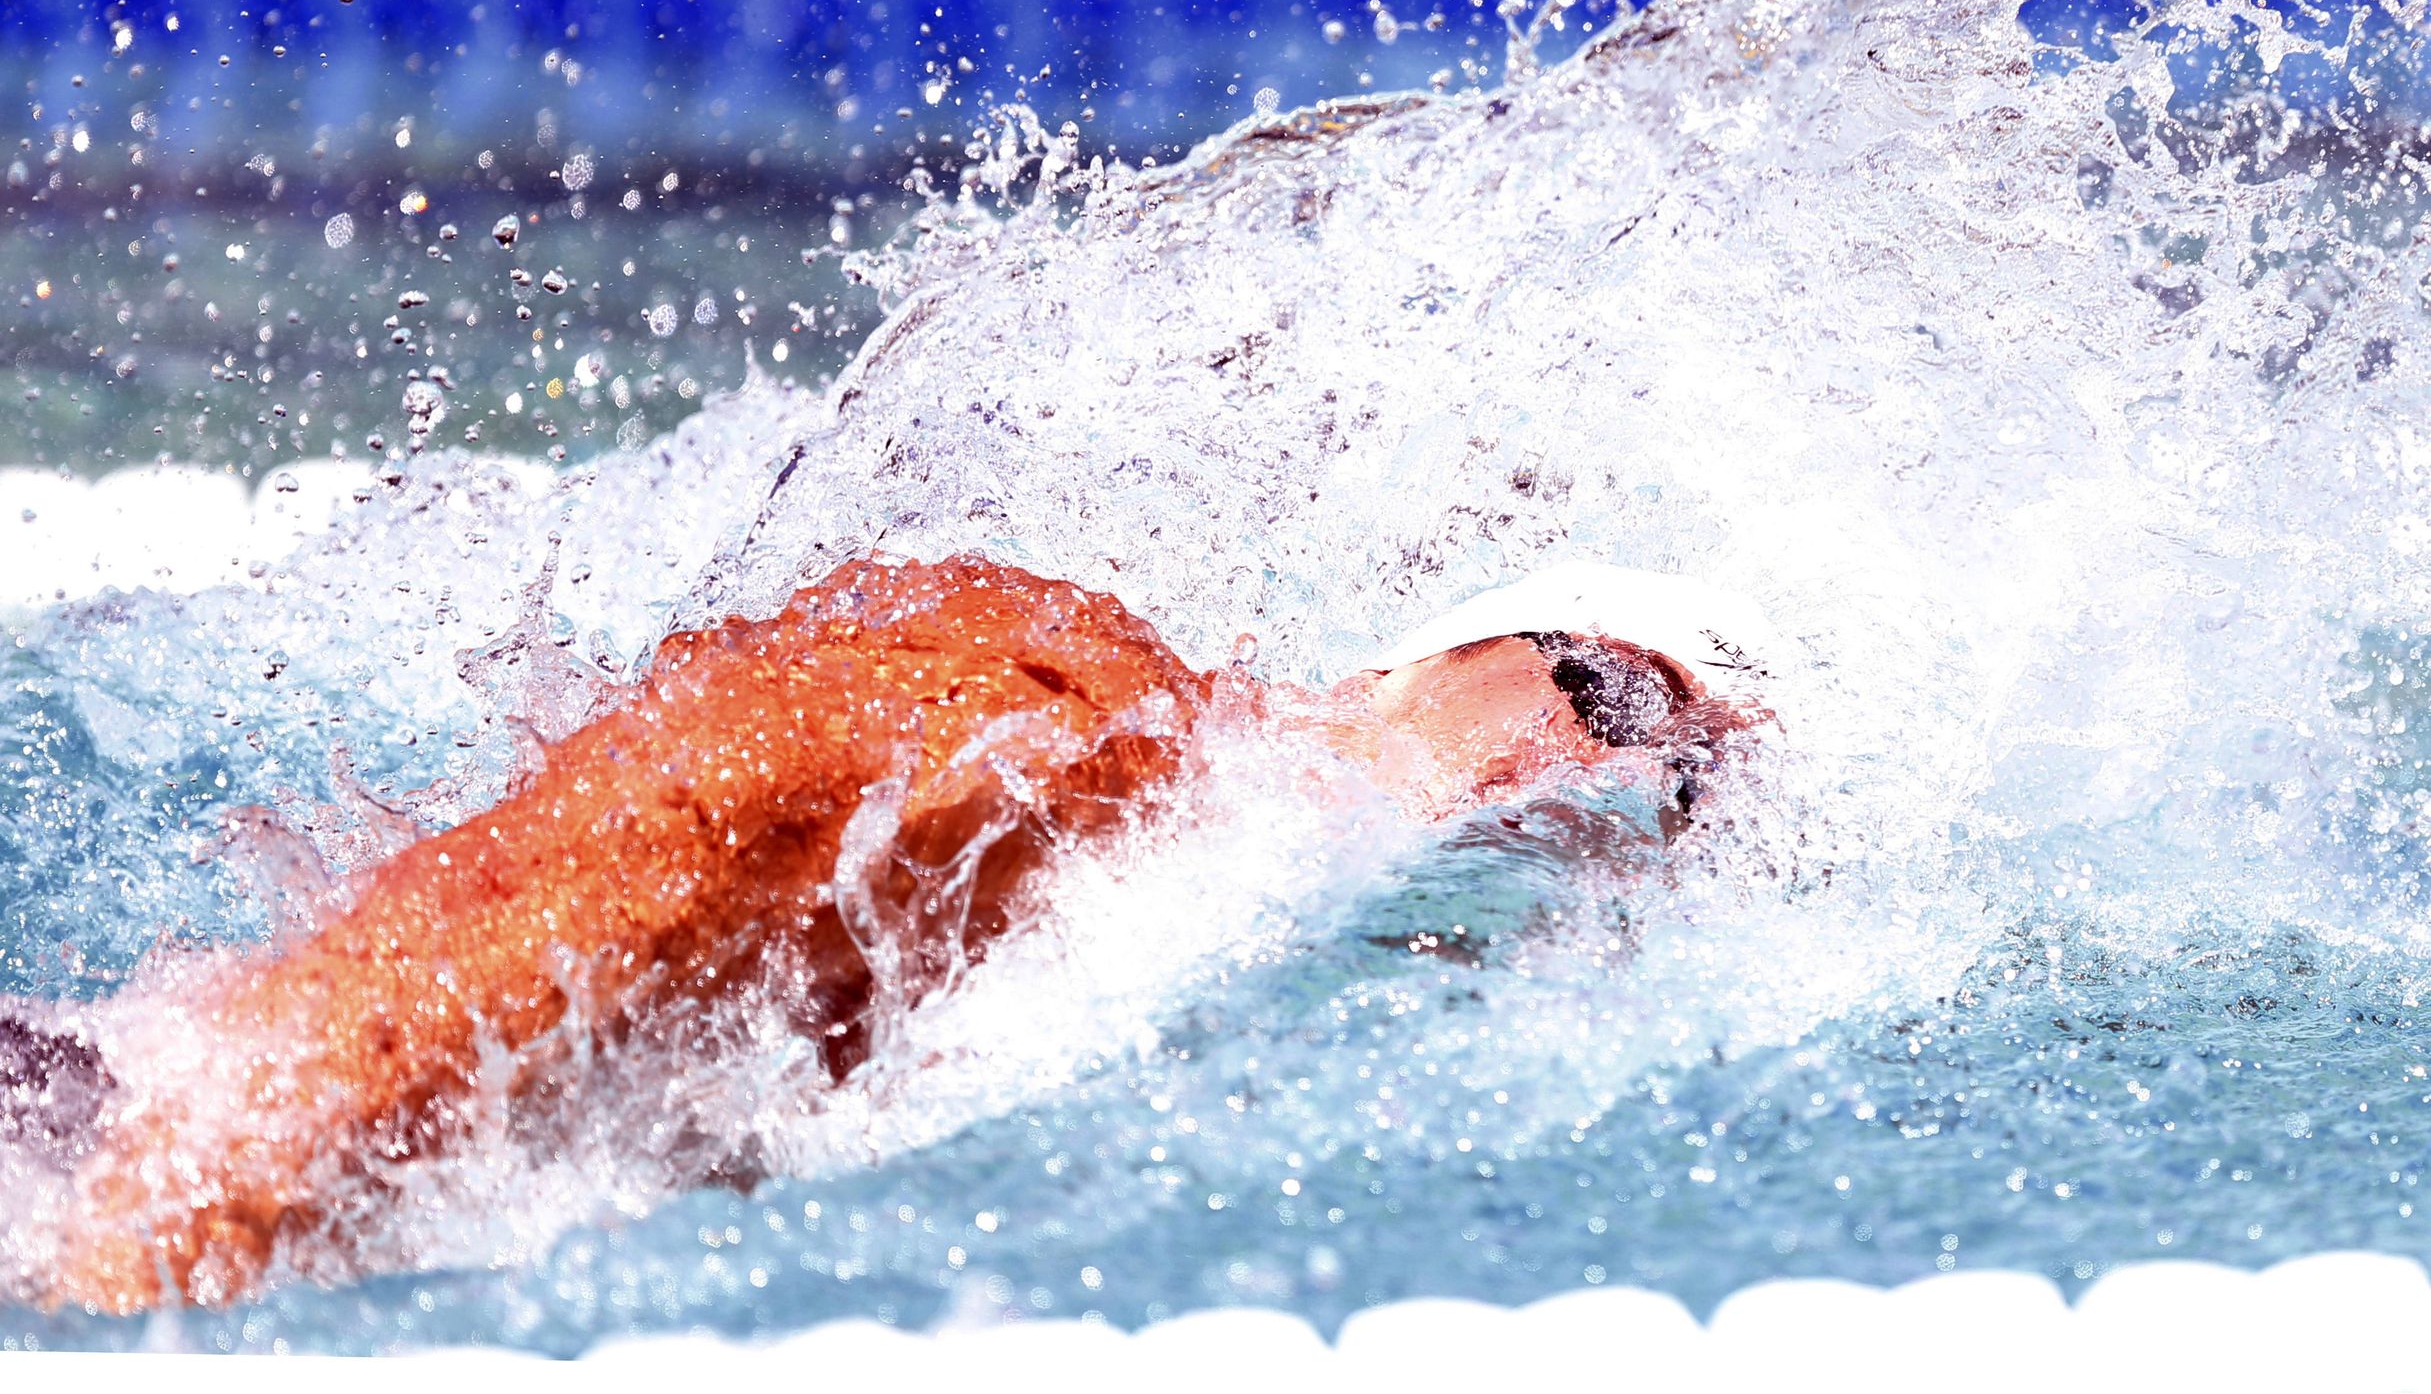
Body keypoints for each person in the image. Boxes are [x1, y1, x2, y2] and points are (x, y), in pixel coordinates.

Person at [3, 554, 1772, 1313]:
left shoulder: (1167, 976)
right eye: (1600, 693)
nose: (1574, 791)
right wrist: (139, 1279)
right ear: (1416, 661)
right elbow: (352, 1047)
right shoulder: (1054, 709)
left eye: (1670, 795)